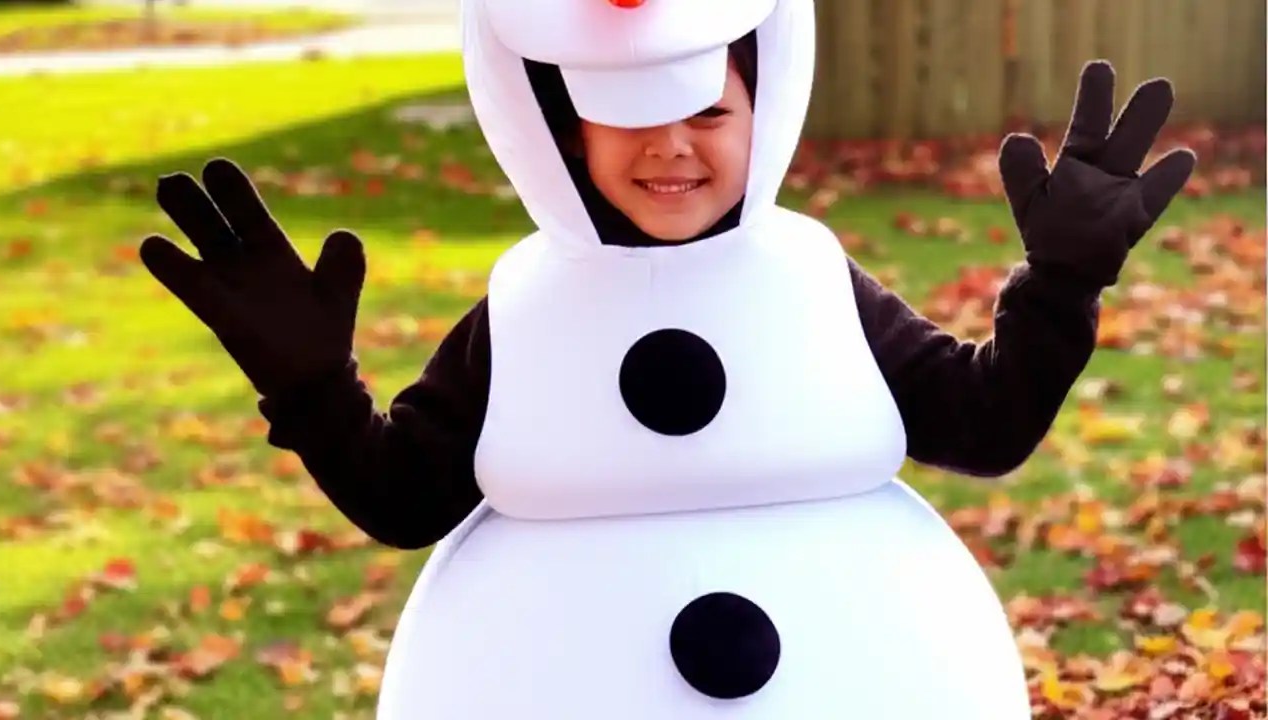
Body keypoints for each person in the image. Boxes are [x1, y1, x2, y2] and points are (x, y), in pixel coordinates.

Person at [139, 1, 1194, 714]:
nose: (671, 147)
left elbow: (981, 423)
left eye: (708, 111)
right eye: (626, 118)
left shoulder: (810, 281)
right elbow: (404, 497)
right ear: (562, 130)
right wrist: (312, 385)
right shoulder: (527, 309)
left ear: (762, 108)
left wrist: (1058, 288)